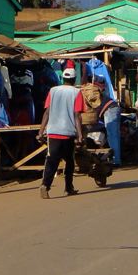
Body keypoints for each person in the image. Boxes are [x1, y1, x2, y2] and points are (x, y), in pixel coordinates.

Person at [38, 67, 84, 198]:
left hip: (53, 132)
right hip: (68, 132)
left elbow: (47, 112)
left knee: (51, 160)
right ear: (74, 79)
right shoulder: (76, 92)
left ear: (63, 78)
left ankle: (45, 185)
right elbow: (77, 115)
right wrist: (80, 135)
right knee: (69, 161)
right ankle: (68, 188)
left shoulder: (53, 91)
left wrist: (41, 132)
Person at [97, 77, 122, 166]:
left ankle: (116, 161)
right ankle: (116, 159)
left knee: (112, 136)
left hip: (110, 110)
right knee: (113, 136)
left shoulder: (96, 93)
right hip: (111, 109)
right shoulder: (99, 92)